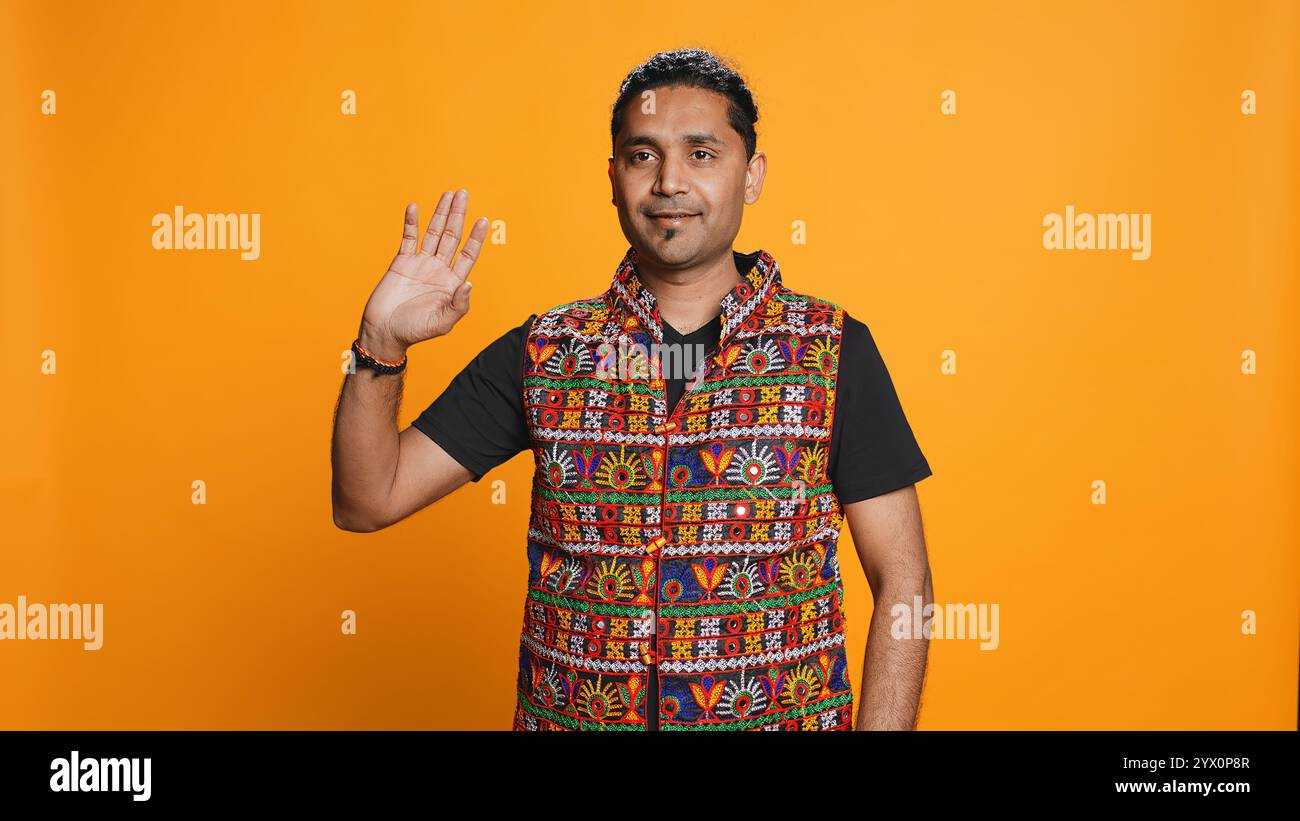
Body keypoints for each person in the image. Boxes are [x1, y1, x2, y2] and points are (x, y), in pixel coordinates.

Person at [331, 48, 935, 731]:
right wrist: (379, 343)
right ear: (614, 178)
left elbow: (903, 582)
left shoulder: (830, 349)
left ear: (752, 174)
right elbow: (366, 498)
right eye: (643, 156)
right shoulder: (547, 352)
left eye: (702, 153)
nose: (669, 181)